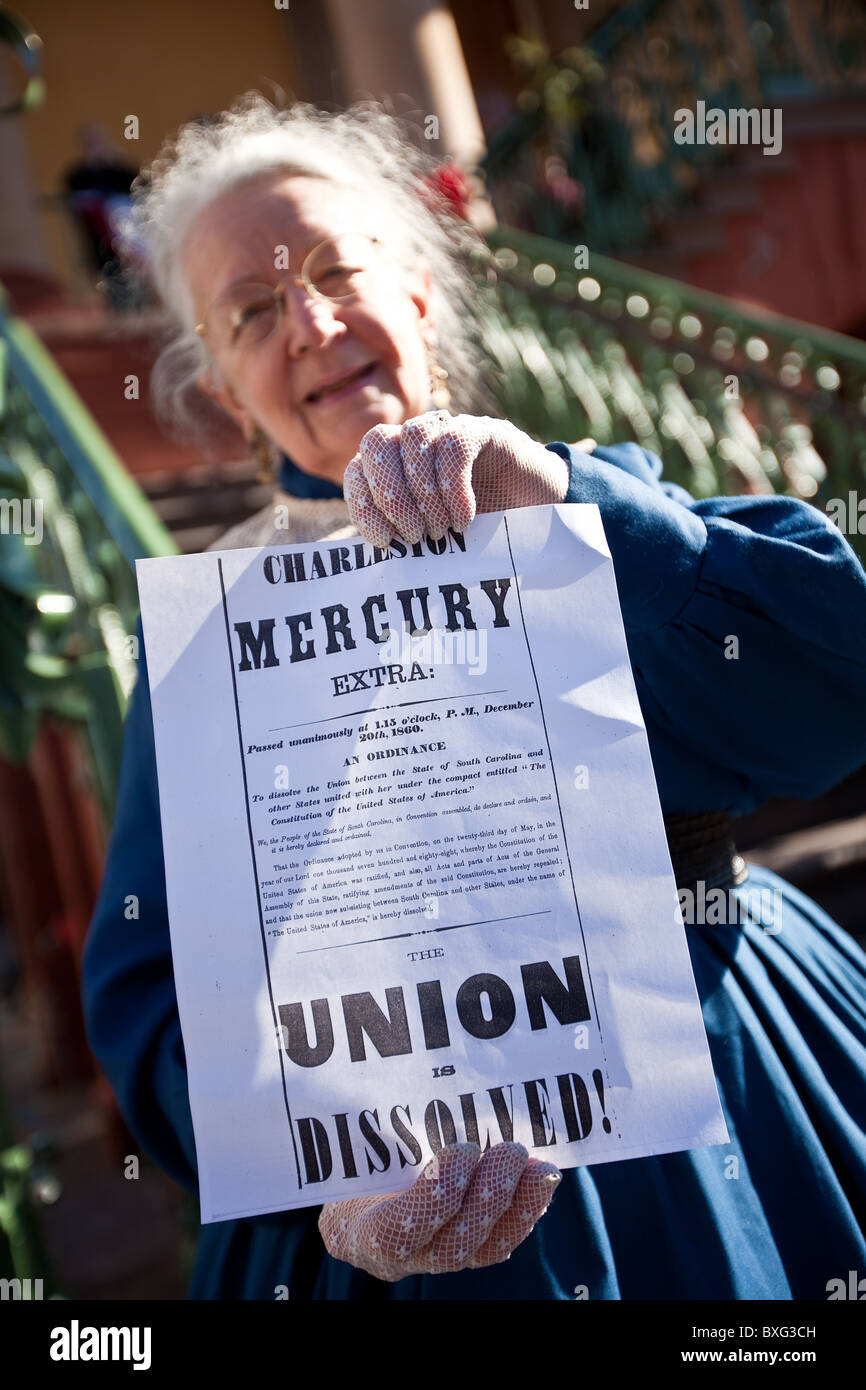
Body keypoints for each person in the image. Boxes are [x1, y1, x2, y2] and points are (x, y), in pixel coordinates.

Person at [82, 93, 866, 1299]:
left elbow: (831, 693)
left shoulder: (588, 497)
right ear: (230, 392)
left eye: (338, 269)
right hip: (404, 1210)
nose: (309, 319)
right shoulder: (206, 651)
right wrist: (314, 1177)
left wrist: (575, 512)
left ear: (419, 295)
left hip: (717, 1096)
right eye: (250, 312)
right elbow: (154, 992)